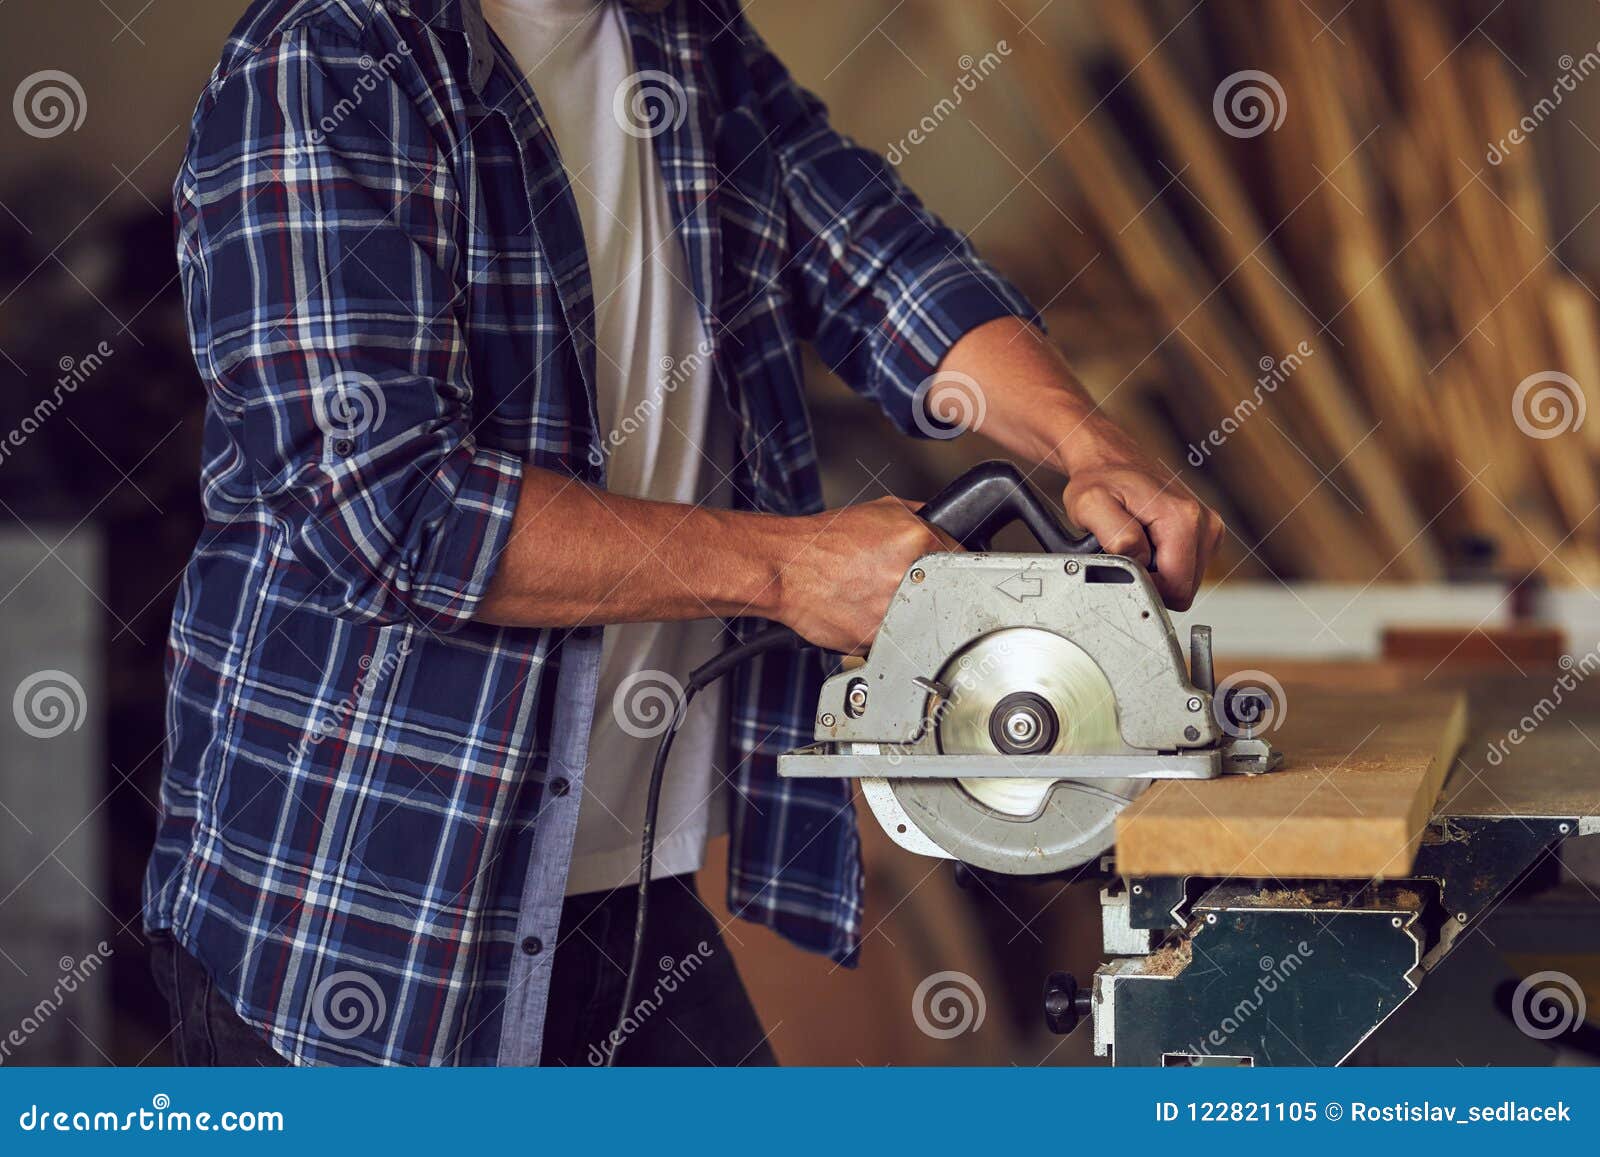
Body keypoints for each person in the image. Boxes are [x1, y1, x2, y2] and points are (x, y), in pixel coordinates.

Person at [144, 0, 1224, 1067]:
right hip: (366, 904)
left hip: (614, 887)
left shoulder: (678, 32)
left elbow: (875, 259)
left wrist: (1087, 443)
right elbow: (391, 506)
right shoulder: (328, 59)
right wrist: (788, 565)